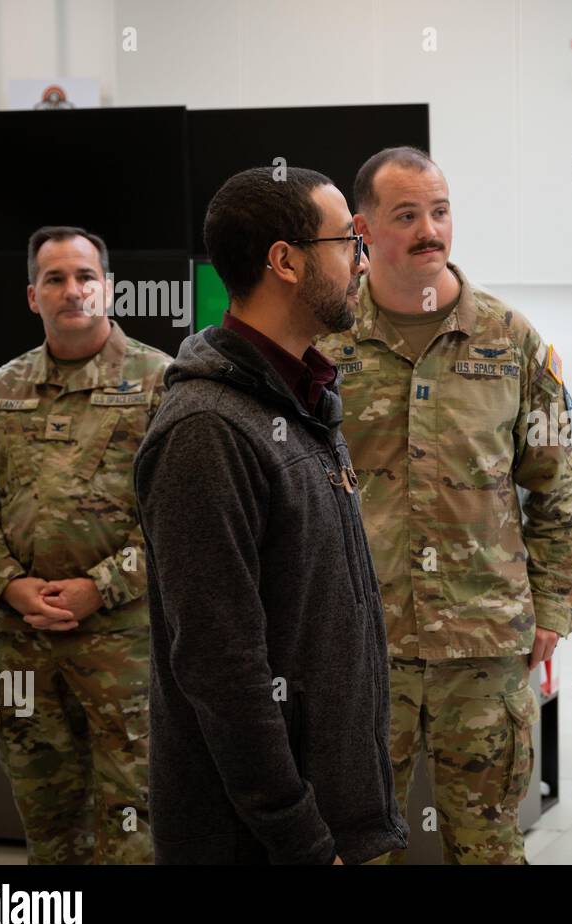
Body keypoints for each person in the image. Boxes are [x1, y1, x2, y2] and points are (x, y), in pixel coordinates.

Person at [315, 147, 572, 864]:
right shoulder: (321, 345)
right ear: (364, 229)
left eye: (439, 212)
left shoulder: (511, 341)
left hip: (484, 647)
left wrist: (552, 610)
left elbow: (559, 487)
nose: (429, 230)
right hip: (360, 646)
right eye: (406, 215)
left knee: (490, 846)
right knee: (356, 846)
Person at [134, 166, 406, 864]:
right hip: (262, 844)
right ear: (284, 260)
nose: (363, 259)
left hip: (325, 817)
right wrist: (304, 839)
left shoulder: (298, 400)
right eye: (348, 239)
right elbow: (224, 672)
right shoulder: (208, 431)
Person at [0, 225, 169, 864]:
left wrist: (98, 587)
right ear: (32, 296)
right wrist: (7, 583)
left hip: (124, 649)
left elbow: (179, 517)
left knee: (134, 824)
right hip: (25, 644)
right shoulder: (1, 389)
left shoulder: (164, 382)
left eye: (84, 277)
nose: (72, 291)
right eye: (55, 279)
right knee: (47, 829)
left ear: (110, 288)